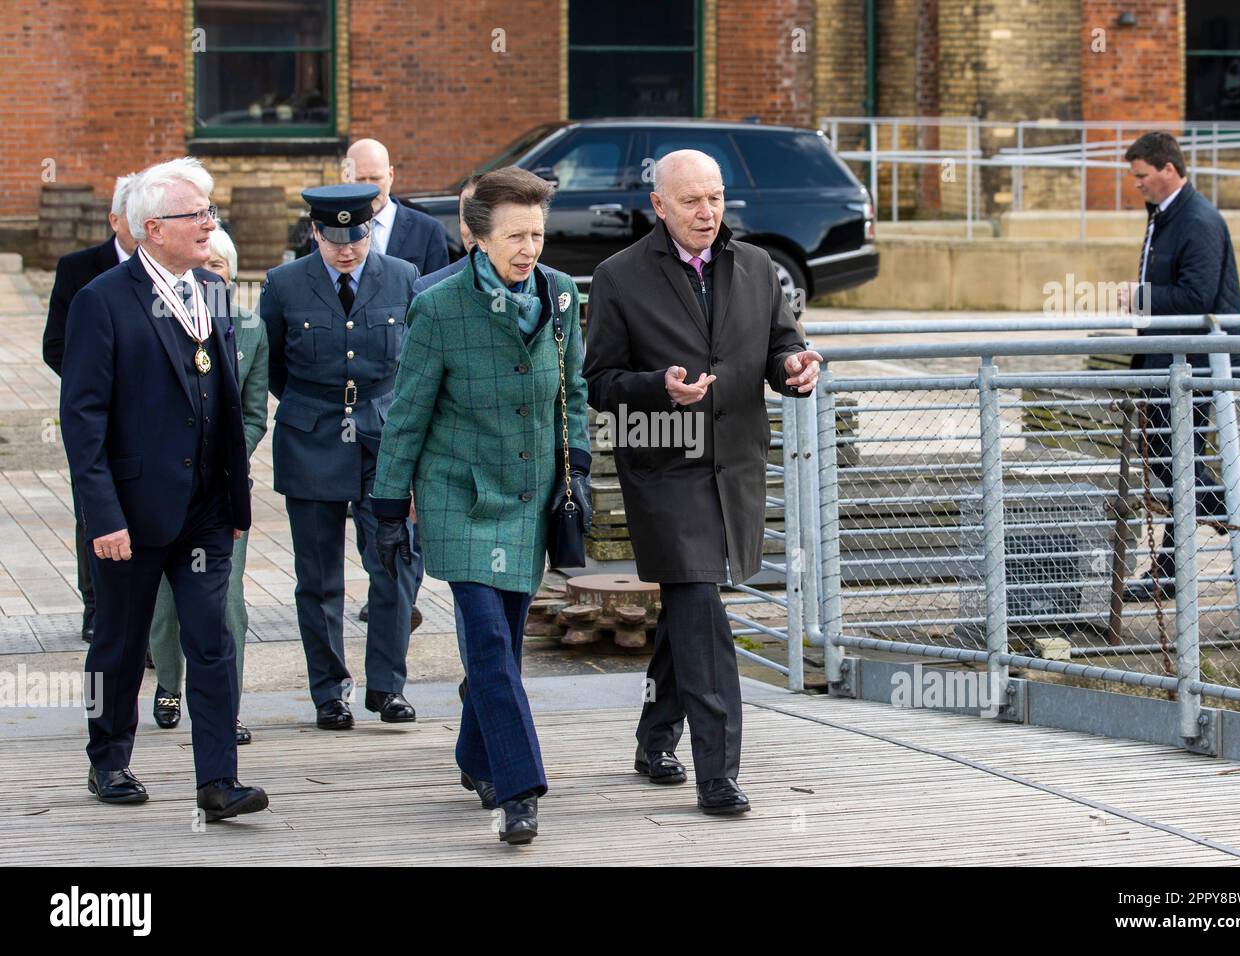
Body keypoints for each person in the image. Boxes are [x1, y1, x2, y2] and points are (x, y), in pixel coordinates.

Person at [582, 149, 822, 815]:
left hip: (735, 467)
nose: (707, 211)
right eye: (691, 200)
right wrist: (658, 388)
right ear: (658, 205)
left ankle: (655, 735)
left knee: (690, 607)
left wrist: (796, 367)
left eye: (714, 197)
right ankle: (718, 773)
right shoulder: (618, 276)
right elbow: (598, 382)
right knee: (702, 608)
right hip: (663, 466)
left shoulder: (756, 268)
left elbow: (779, 348)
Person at [372, 166, 591, 846]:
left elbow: (574, 391)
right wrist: (388, 501)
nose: (530, 249)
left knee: (504, 649)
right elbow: (407, 412)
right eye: (515, 236)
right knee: (490, 642)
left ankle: (476, 757)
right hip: (458, 496)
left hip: (530, 498)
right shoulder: (436, 305)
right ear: (476, 237)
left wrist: (575, 467)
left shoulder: (560, 296)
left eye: (538, 235)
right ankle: (520, 789)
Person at [60, 156, 267, 820]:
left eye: (210, 212)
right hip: (132, 512)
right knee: (118, 645)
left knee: (212, 640)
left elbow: (228, 403)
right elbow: (82, 419)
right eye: (195, 215)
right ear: (153, 228)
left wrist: (236, 501)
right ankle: (109, 760)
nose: (210, 223)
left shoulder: (211, 292)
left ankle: (218, 782)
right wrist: (103, 517)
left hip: (206, 511)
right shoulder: (102, 301)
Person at [260, 184, 424, 730]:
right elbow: (274, 367)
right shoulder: (284, 284)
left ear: (369, 230)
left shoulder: (402, 277)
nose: (346, 250)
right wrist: (318, 406)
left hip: (384, 437)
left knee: (395, 563)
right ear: (315, 232)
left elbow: (415, 364)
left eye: (355, 237)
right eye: (334, 239)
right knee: (319, 575)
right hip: (312, 438)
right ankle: (330, 691)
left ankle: (387, 686)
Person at [1118, 131, 1240, 602]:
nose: (1136, 185)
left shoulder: (1197, 220)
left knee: (1176, 463)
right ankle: (1221, 535)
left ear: (1168, 169)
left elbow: (1197, 298)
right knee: (1173, 461)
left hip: (1197, 366)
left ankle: (1237, 526)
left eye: (1142, 176)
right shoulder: (1168, 216)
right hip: (1172, 364)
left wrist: (1137, 297)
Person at [149, 225, 268, 745]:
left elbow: (254, 412)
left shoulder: (251, 328)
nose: (207, 274)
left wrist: (225, 458)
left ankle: (226, 705)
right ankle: (169, 684)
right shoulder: (160, 321)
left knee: (227, 602)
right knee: (168, 600)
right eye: (201, 265)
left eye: (217, 267)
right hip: (168, 483)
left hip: (222, 489)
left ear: (230, 275)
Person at [44, 172, 138, 643]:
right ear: (116, 219)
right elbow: (55, 344)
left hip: (153, 422)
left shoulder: (171, 271)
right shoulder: (79, 267)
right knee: (95, 509)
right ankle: (96, 607)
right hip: (100, 413)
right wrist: (101, 386)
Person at [346, 138, 450, 274]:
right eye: (360, 180)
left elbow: (439, 290)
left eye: (375, 178)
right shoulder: (329, 229)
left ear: (390, 175)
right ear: (347, 178)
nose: (368, 189)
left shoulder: (428, 230)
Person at [412, 174, 480, 295]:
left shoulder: (523, 284)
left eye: (483, 219)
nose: (473, 230)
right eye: (467, 219)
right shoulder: (430, 290)